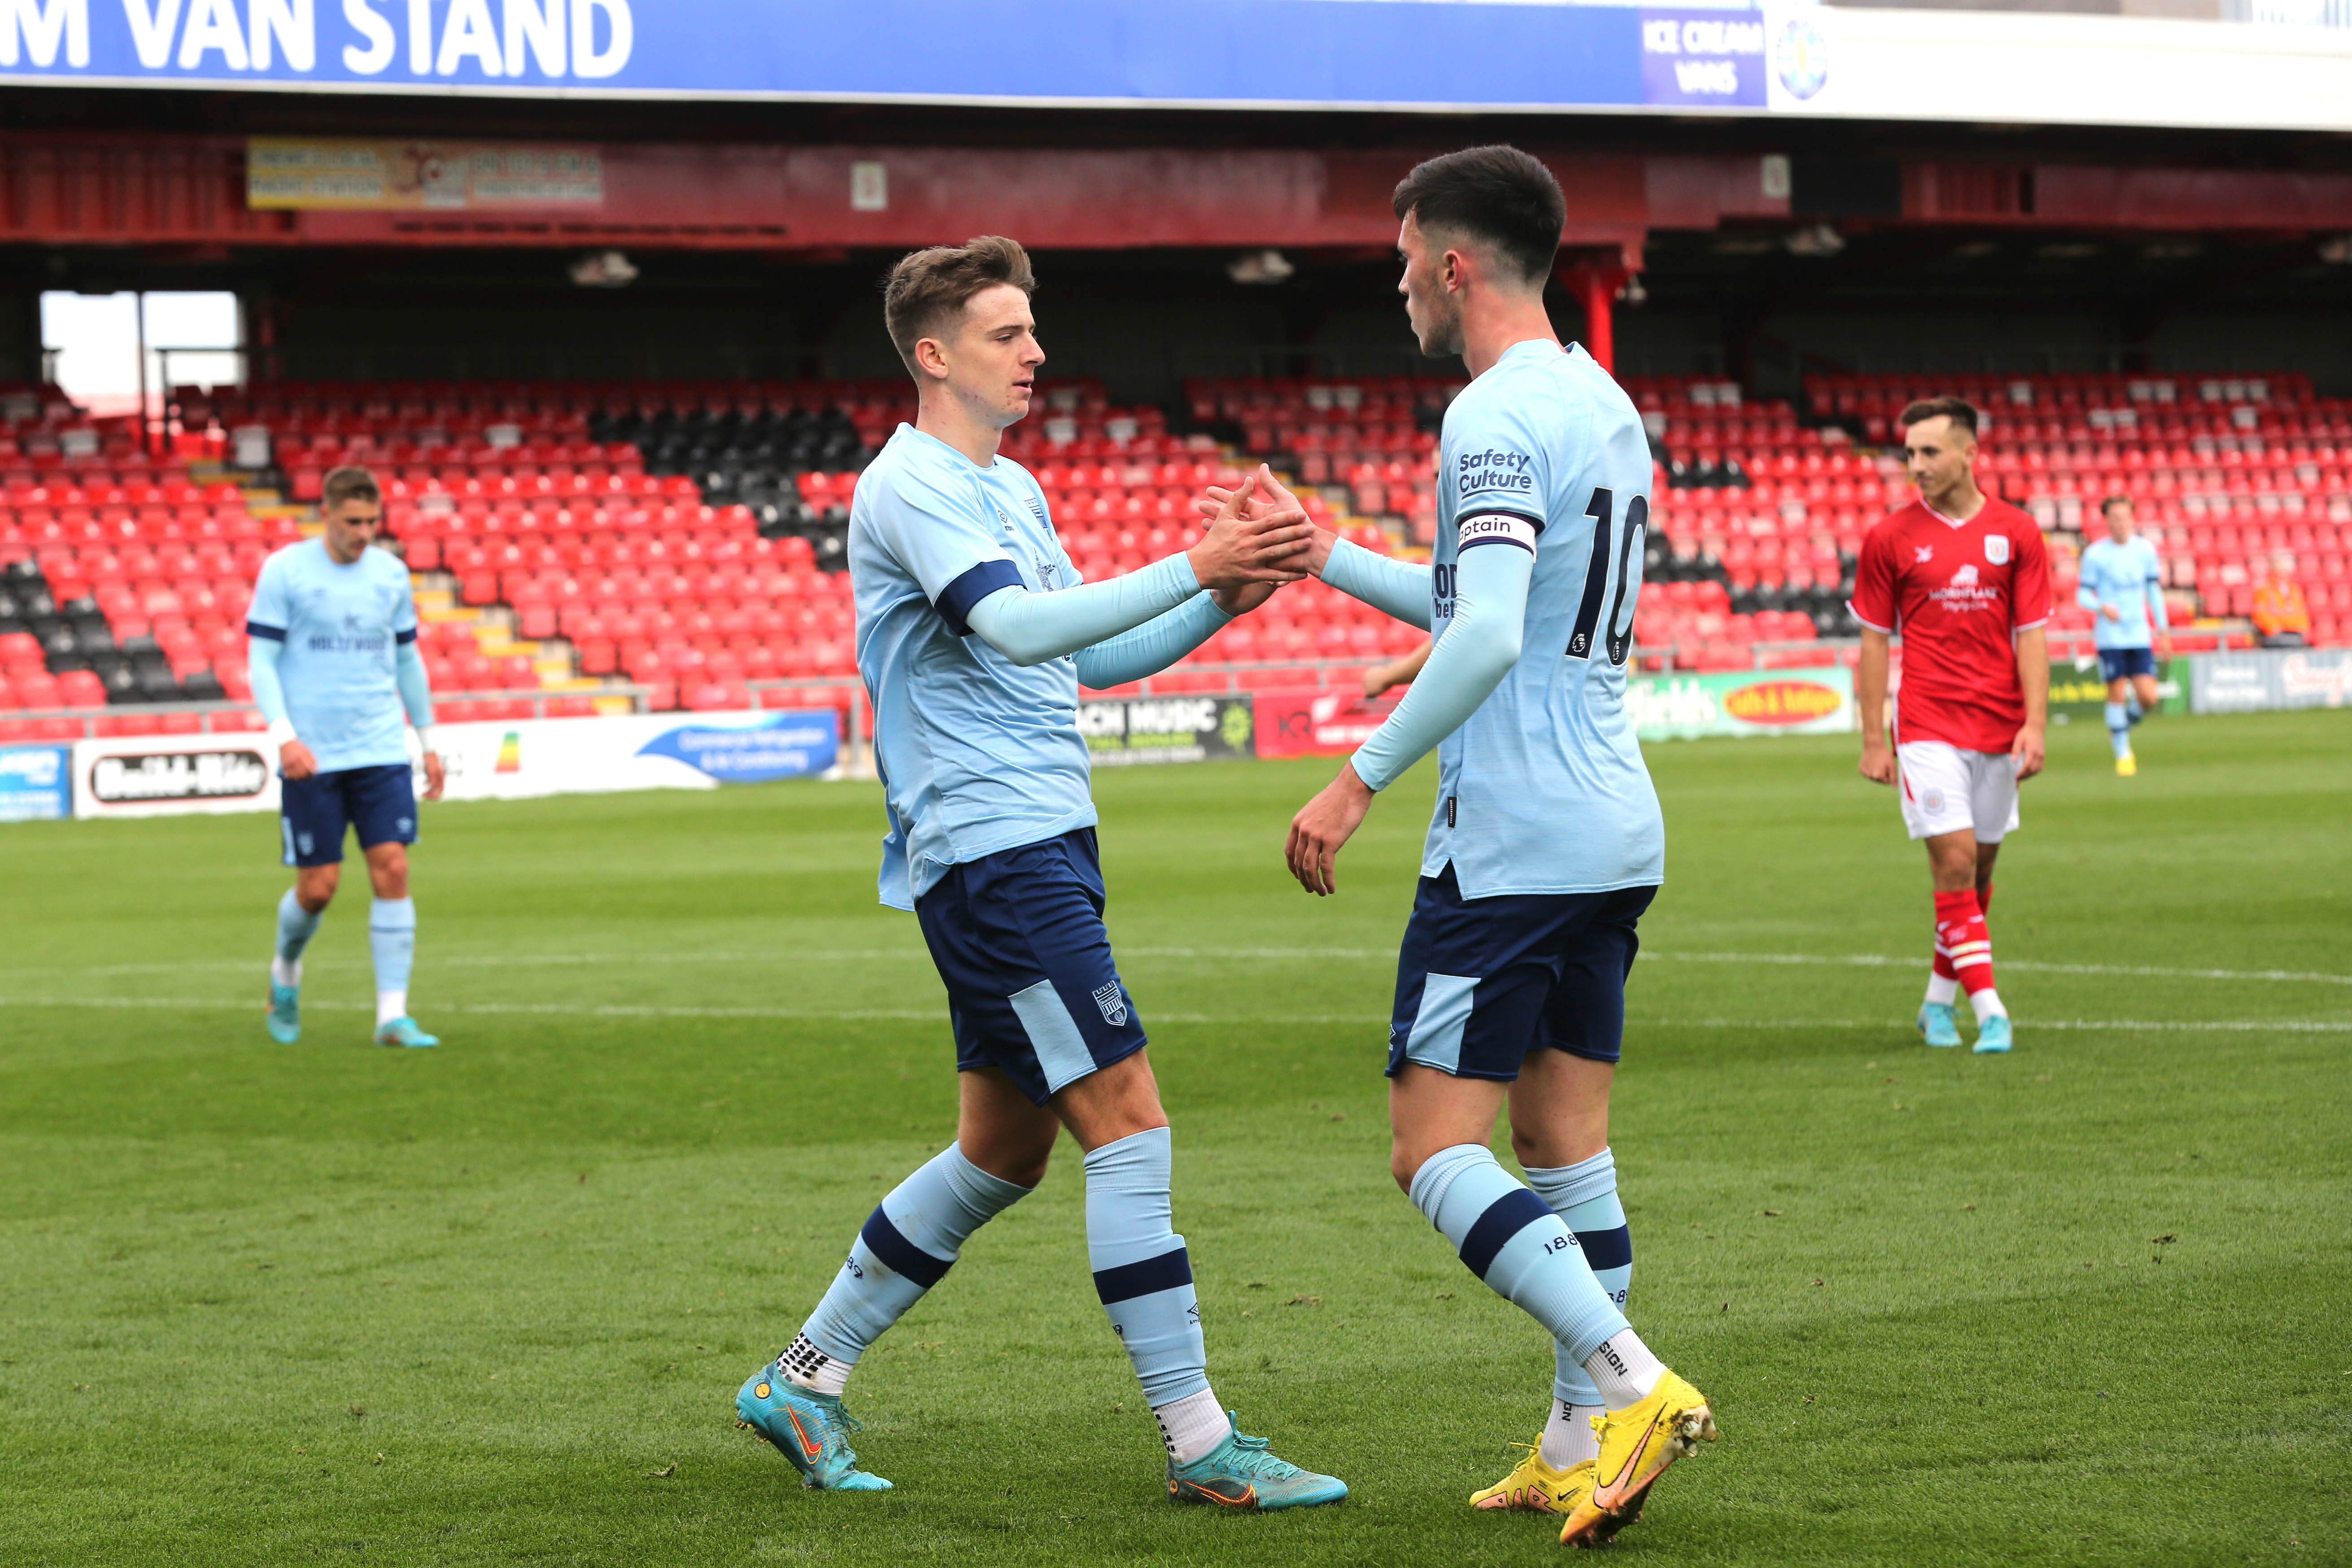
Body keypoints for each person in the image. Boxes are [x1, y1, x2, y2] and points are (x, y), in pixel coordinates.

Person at [733, 236, 1346, 1510]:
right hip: (993, 848)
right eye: (1010, 332)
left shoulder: (1008, 489)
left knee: (1002, 1149)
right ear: (936, 353)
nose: (1037, 351)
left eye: (1032, 329)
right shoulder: (906, 485)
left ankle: (805, 1374)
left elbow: (1086, 663)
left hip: (1041, 839)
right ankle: (1200, 1440)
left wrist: (1228, 594)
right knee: (1128, 1117)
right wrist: (1193, 562)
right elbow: (1009, 625)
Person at [1252, 146, 1716, 1550]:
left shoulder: (1488, 413)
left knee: (1428, 1149)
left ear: (1453, 263)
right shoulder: (1599, 399)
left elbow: (1489, 632)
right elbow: (1486, 595)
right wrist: (1324, 552)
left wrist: (1355, 779)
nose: (1395, 279)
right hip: (1611, 826)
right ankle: (1577, 1438)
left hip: (1509, 840)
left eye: (1402, 256)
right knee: (1562, 1145)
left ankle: (1633, 1384)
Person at [1851, 398, 2050, 1055]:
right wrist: (1874, 737)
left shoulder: (2016, 532)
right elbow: (1874, 642)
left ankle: (1936, 999)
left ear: (1969, 453)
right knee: (1956, 860)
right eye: (1909, 454)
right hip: (1926, 721)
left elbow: (2030, 636)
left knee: (1979, 866)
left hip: (1997, 724)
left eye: (1929, 452)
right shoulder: (1887, 538)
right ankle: (1990, 1009)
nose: (1915, 466)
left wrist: (2035, 724)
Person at [247, 465, 445, 1049]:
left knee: (394, 867)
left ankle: (392, 1016)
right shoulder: (285, 570)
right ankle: (285, 972)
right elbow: (261, 661)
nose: (363, 532)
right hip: (312, 753)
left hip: (380, 745)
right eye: (352, 521)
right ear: (327, 515)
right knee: (319, 888)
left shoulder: (390, 575)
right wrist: (284, 735)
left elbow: (408, 662)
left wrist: (428, 741)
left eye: (371, 521)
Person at [2076, 494, 2171, 776]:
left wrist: (2163, 630)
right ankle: (2124, 754)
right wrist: (2101, 607)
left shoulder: (2145, 550)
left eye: (2125, 517)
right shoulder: (2096, 554)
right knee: (2116, 690)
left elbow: (2153, 590)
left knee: (2149, 697)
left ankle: (2120, 727)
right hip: (2110, 635)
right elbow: (2082, 594)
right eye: (2115, 518)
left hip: (2139, 633)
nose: (2121, 523)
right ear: (2107, 521)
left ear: (2133, 519)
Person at [2252, 551, 2311, 648]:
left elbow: (2301, 612)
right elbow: (2260, 614)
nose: (2289, 568)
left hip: (2294, 633)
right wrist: (2274, 629)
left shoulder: (2295, 589)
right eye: (2285, 564)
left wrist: (2301, 627)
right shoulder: (2264, 589)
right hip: (2274, 637)